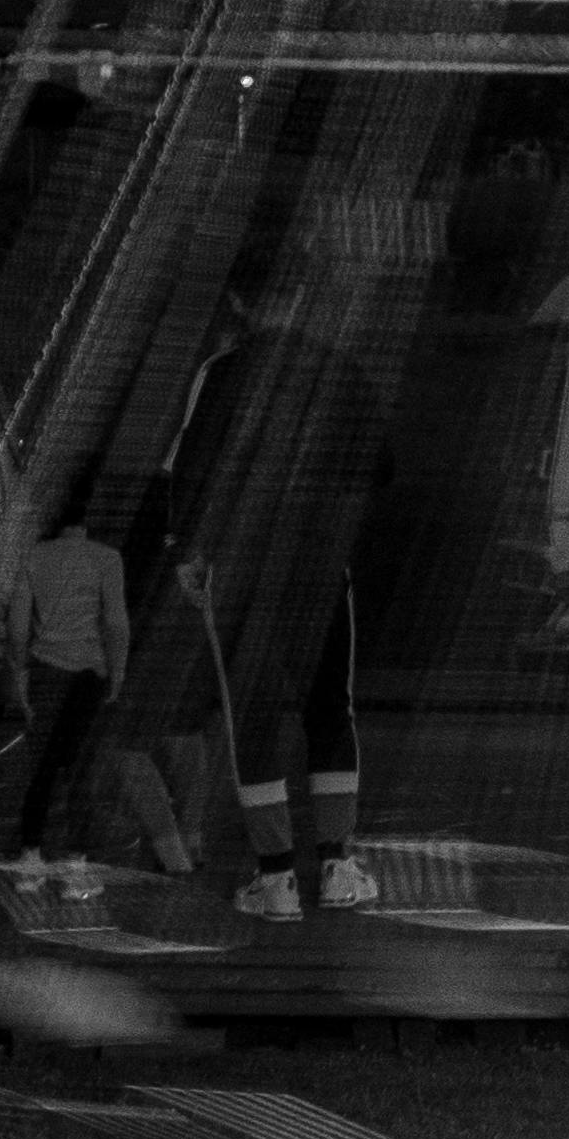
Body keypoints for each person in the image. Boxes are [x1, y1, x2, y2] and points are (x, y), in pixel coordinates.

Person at [150, 250, 399, 923]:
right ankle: (340, 864)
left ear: (238, 302)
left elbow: (193, 467)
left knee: (253, 715)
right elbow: (380, 465)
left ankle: (277, 878)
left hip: (241, 568)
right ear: (300, 299)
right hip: (321, 565)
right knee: (330, 710)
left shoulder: (223, 373)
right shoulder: (341, 371)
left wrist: (189, 551)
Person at [9, 493, 132, 857]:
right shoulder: (107, 558)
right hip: (88, 676)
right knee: (81, 770)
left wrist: (19, 673)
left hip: (46, 671)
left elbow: (17, 629)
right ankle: (77, 866)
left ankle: (30, 857)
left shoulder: (32, 556)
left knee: (41, 771)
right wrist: (117, 670)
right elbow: (115, 623)